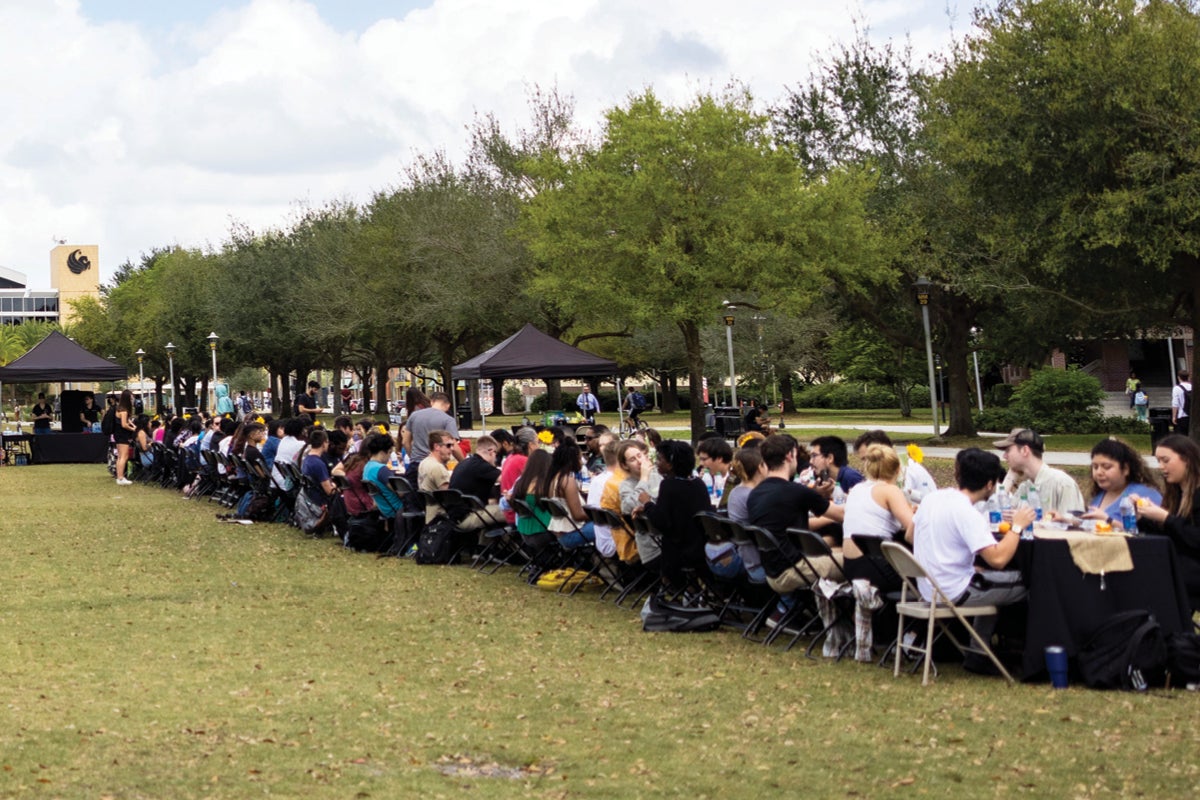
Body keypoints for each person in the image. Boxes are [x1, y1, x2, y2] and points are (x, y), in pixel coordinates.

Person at [913, 448, 1034, 671]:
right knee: (1034, 579)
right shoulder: (967, 513)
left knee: (987, 577)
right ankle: (1032, 655)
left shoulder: (932, 498)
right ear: (990, 484)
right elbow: (998, 559)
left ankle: (980, 651)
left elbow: (910, 535)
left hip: (927, 586)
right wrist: (1018, 526)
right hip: (954, 591)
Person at [1133, 434, 1200, 613]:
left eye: (1166, 460)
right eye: (1158, 461)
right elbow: (1171, 537)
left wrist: (1165, 518)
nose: (1161, 467)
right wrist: (1144, 517)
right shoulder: (1177, 494)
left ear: (1186, 459)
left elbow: (1194, 539)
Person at [634, 439, 710, 591]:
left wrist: (647, 503)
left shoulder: (669, 485)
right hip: (700, 547)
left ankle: (671, 586)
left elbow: (662, 521)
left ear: (670, 464)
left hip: (680, 552)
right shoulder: (698, 484)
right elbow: (677, 511)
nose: (656, 463)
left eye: (660, 459)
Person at [841, 444, 914, 587]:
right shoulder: (890, 490)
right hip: (879, 571)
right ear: (898, 470)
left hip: (851, 568)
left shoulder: (856, 489)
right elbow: (912, 527)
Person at [994, 428, 1085, 516]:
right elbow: (997, 515)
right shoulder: (1024, 487)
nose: (1004, 456)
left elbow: (1073, 525)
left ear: (1025, 450)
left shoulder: (1062, 483)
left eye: (1008, 450)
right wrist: (1009, 479)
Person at [1083, 437, 1161, 524]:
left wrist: (1109, 520)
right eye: (1095, 467)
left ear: (1125, 469)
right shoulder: (1098, 495)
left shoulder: (1145, 495)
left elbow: (1150, 533)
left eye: (1106, 467)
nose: (1099, 472)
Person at [853, 430, 936, 504]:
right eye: (863, 460)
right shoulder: (889, 468)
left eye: (868, 459)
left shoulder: (903, 469)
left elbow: (897, 501)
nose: (865, 465)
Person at [449, 435, 506, 530]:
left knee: (494, 507)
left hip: (456, 516)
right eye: (496, 454)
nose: (496, 458)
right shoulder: (482, 466)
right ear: (491, 452)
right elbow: (507, 479)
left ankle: (488, 543)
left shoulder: (464, 463)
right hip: (469, 517)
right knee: (512, 512)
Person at [404, 392, 459, 488]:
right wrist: (463, 463)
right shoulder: (448, 420)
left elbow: (405, 441)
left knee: (414, 498)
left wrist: (412, 456)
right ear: (448, 405)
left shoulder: (414, 415)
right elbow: (453, 446)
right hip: (435, 466)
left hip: (415, 464)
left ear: (431, 402)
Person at [418, 429, 458, 523]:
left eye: (452, 445)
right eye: (448, 445)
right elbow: (449, 498)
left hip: (430, 512)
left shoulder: (424, 462)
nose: (452, 449)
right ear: (436, 446)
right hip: (442, 517)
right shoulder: (437, 468)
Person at [300, 429, 336, 511]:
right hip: (320, 501)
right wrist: (336, 486)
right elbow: (329, 491)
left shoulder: (307, 459)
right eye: (327, 442)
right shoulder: (318, 464)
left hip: (310, 498)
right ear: (324, 443)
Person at [113, 389, 137, 485]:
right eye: (131, 398)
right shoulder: (124, 411)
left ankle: (119, 477)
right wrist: (133, 429)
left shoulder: (119, 409)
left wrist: (132, 425)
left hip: (118, 434)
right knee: (124, 456)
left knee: (119, 456)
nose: (132, 400)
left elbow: (127, 421)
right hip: (122, 435)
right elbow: (124, 424)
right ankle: (121, 477)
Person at [1172, 370, 1192, 436]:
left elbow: (1175, 404)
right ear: (1188, 377)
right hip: (1193, 415)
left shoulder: (1177, 388)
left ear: (1179, 377)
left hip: (1182, 415)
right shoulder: (1193, 386)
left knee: (1183, 436)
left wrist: (1174, 416)